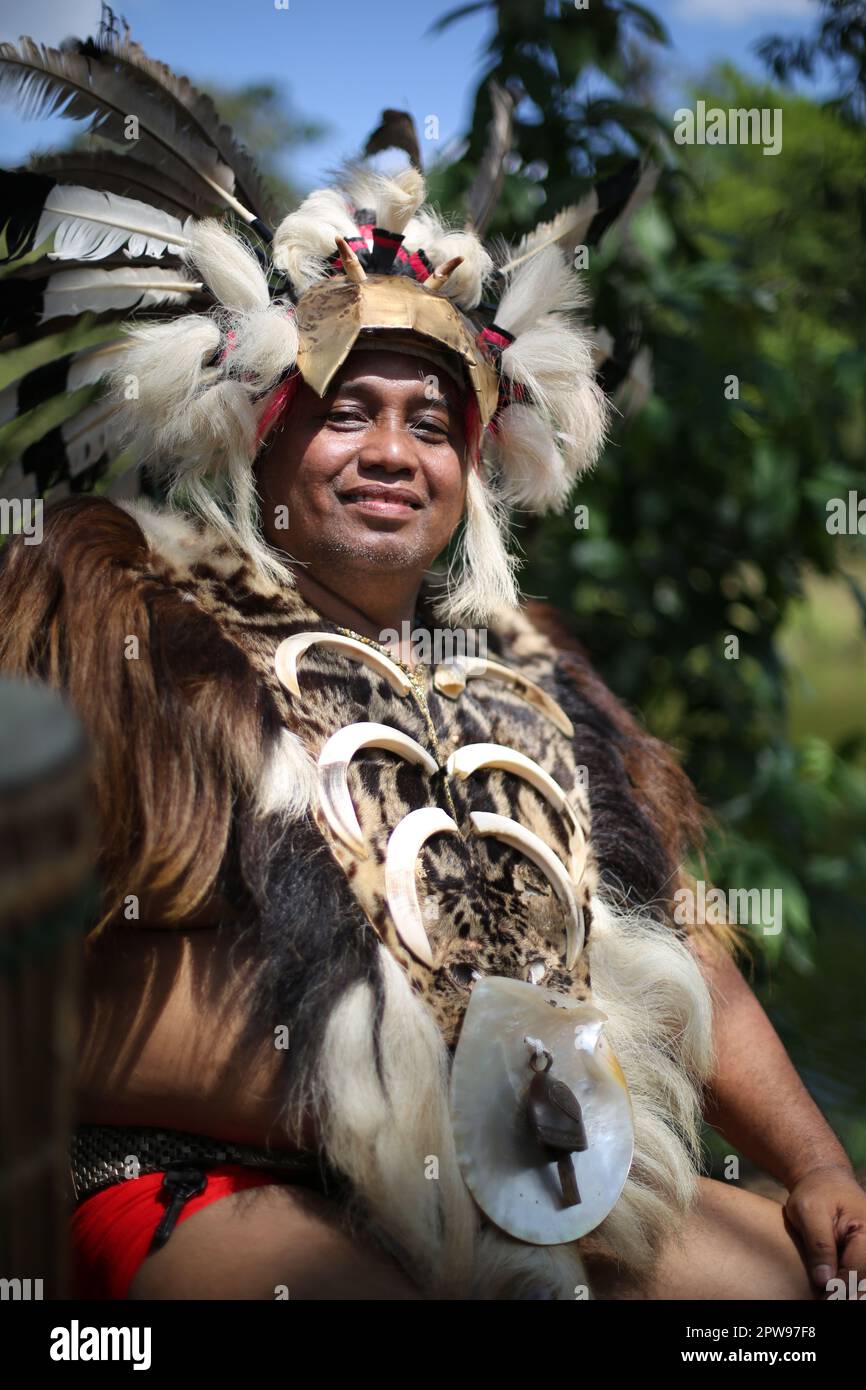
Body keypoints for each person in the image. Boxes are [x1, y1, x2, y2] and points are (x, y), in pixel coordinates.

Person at [0, 25, 863, 1301]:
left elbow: (677, 938)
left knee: (789, 1299)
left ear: (474, 467)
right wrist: (359, 1090)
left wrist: (811, 1163)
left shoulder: (538, 675)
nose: (392, 452)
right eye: (346, 410)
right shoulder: (123, 623)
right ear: (265, 434)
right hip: (214, 1176)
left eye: (431, 424)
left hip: (545, 1177)